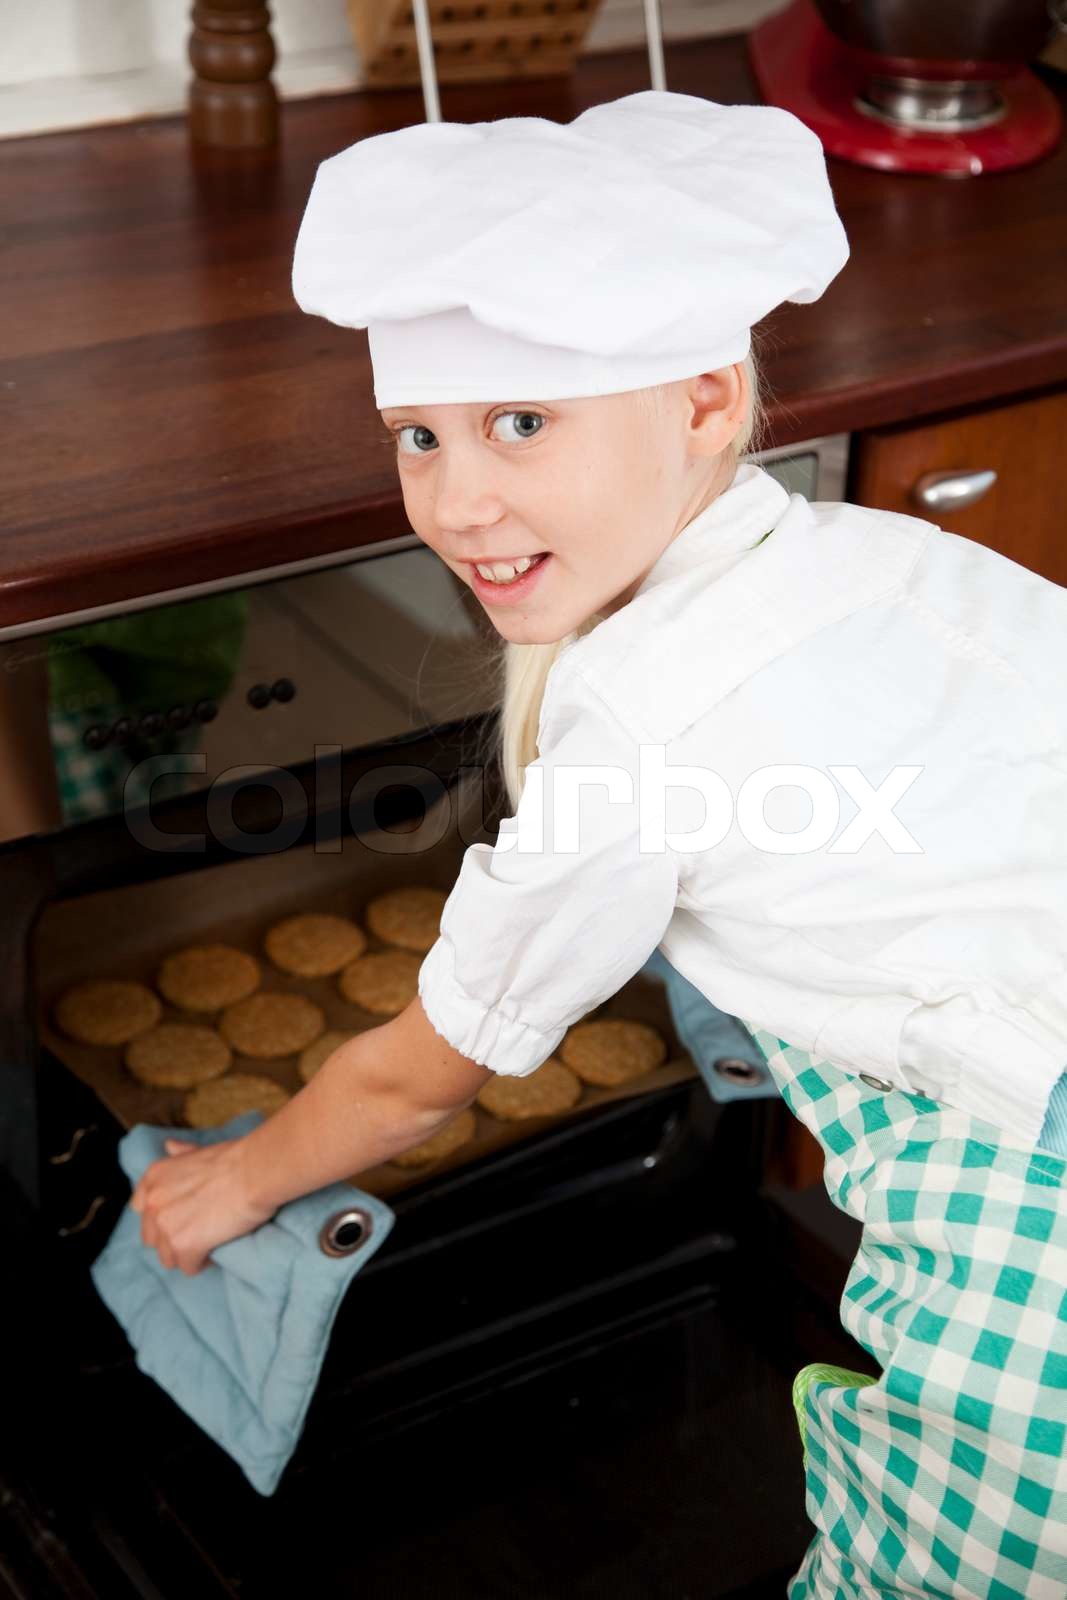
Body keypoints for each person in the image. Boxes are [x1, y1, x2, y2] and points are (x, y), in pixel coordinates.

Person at [131, 92, 1067, 1596]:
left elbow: (414, 1075)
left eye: (520, 422)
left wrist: (228, 1188)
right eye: (418, 435)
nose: (456, 499)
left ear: (704, 400)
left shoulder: (635, 736)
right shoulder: (890, 561)